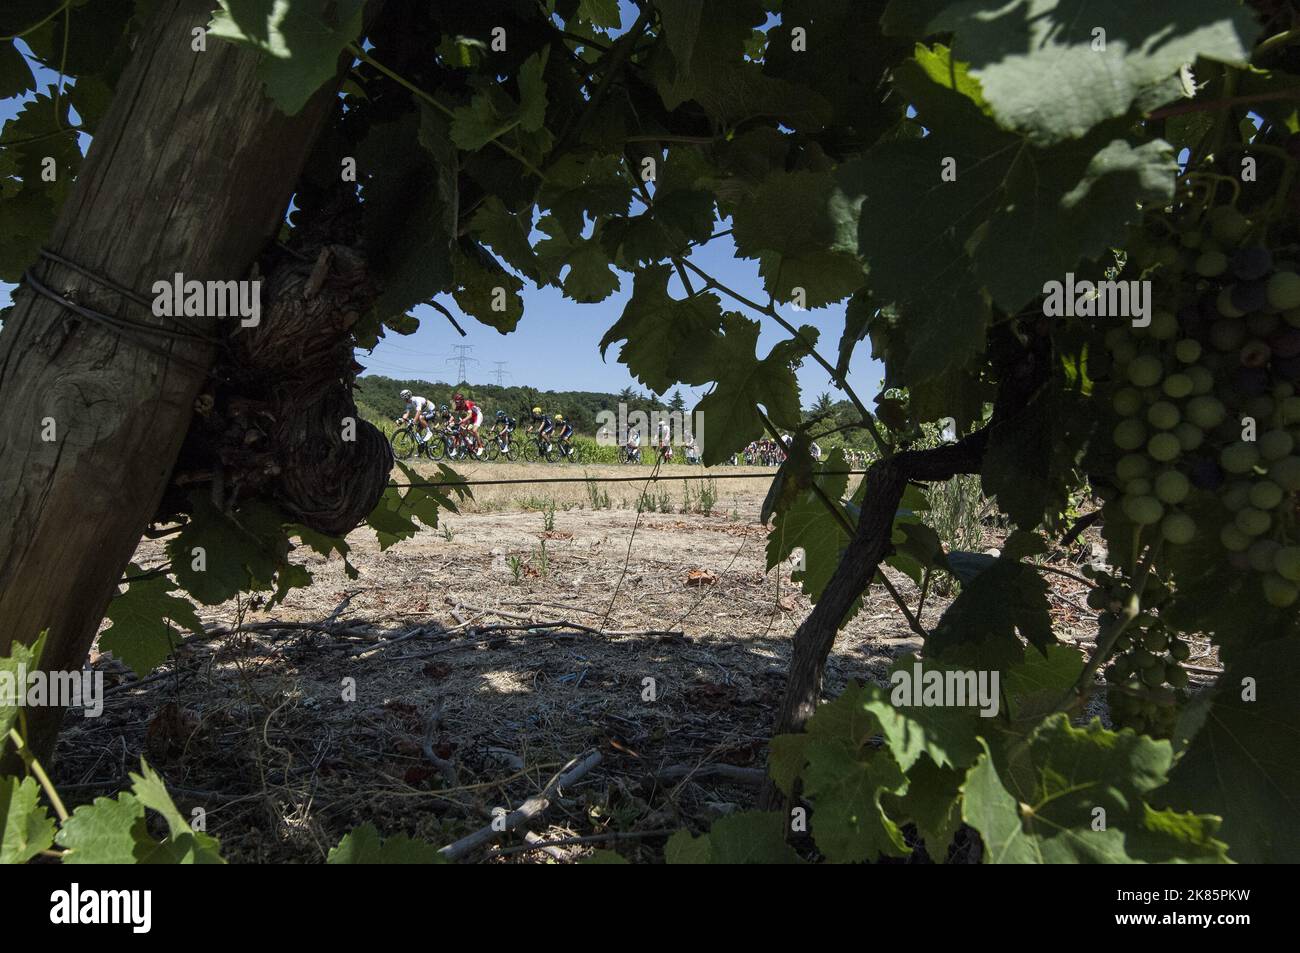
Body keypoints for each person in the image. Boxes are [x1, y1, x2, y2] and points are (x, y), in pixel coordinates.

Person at [453, 392, 483, 457]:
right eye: (455, 402)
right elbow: (456, 416)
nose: (456, 403)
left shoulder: (467, 403)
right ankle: (470, 441)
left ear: (462, 401)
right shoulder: (459, 406)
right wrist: (453, 423)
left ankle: (480, 446)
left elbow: (470, 415)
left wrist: (463, 420)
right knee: (461, 429)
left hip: (477, 415)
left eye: (457, 402)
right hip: (471, 418)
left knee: (474, 430)